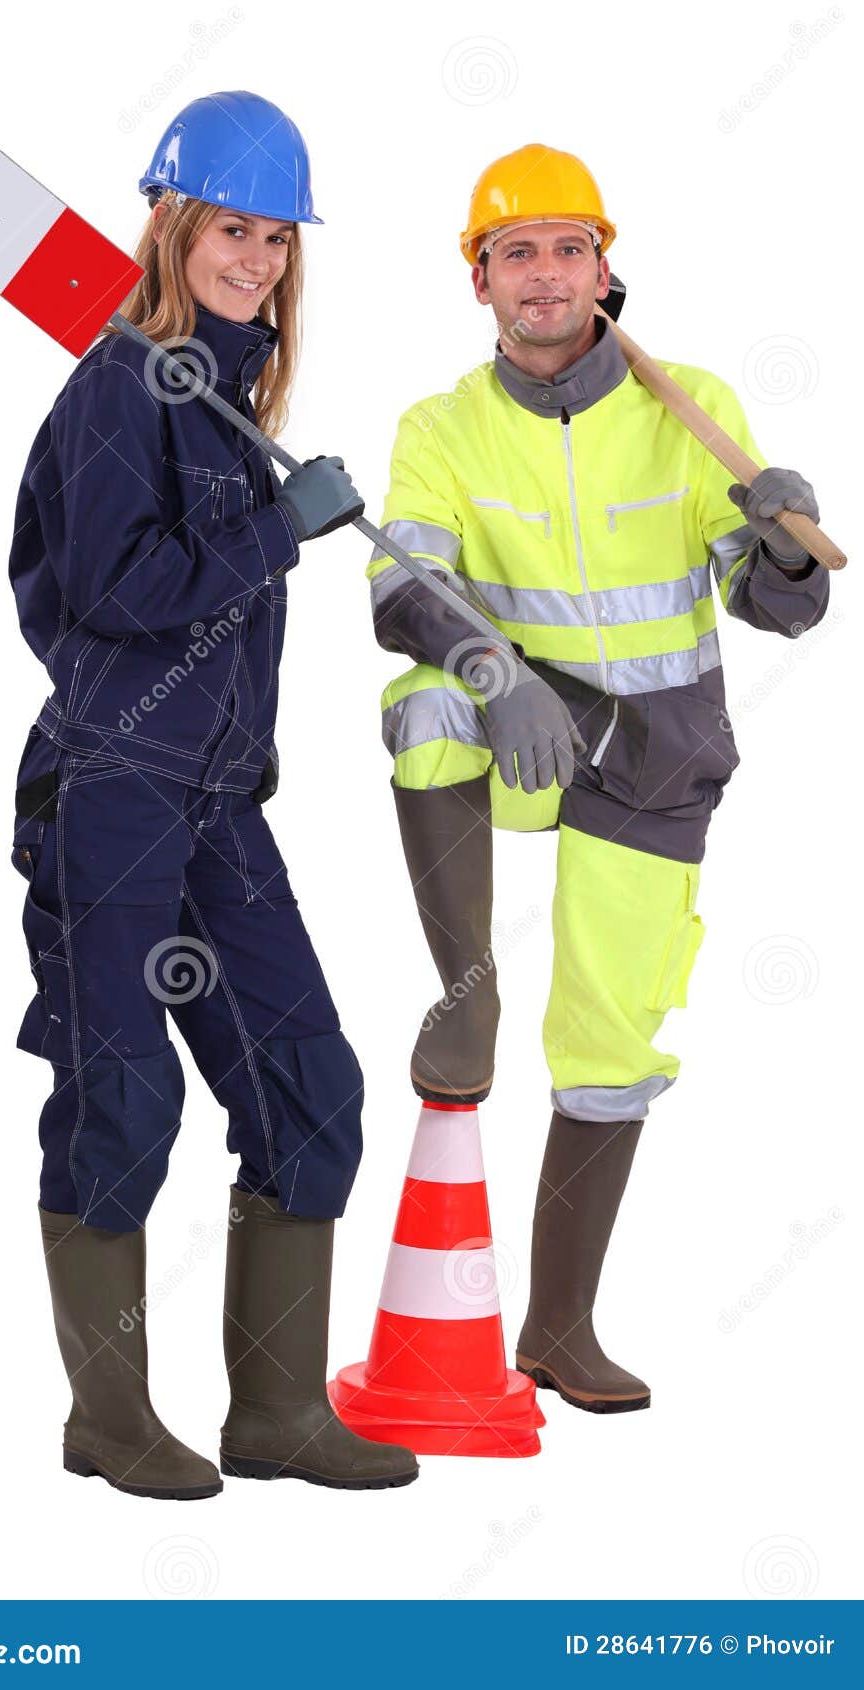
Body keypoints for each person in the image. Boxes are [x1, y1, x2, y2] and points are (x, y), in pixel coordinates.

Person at [367, 143, 830, 1415]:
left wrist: (784, 546)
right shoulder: (440, 428)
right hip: (521, 733)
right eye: (515, 252)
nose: (544, 275)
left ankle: (557, 1331)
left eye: (568, 249)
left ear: (603, 270)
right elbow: (398, 581)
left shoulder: (688, 402)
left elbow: (777, 608)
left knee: (610, 1043)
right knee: (422, 707)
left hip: (652, 755)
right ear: (478, 281)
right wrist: (488, 664)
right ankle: (467, 993)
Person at [8, 91, 418, 1496]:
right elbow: (109, 596)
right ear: (173, 228)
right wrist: (272, 529)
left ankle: (277, 1414)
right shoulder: (122, 383)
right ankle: (109, 1418)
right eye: (229, 228)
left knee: (310, 1087)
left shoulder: (223, 400)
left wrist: (260, 503)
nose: (255, 256)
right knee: (119, 1098)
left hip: (217, 804)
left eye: (275, 235)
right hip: (112, 793)